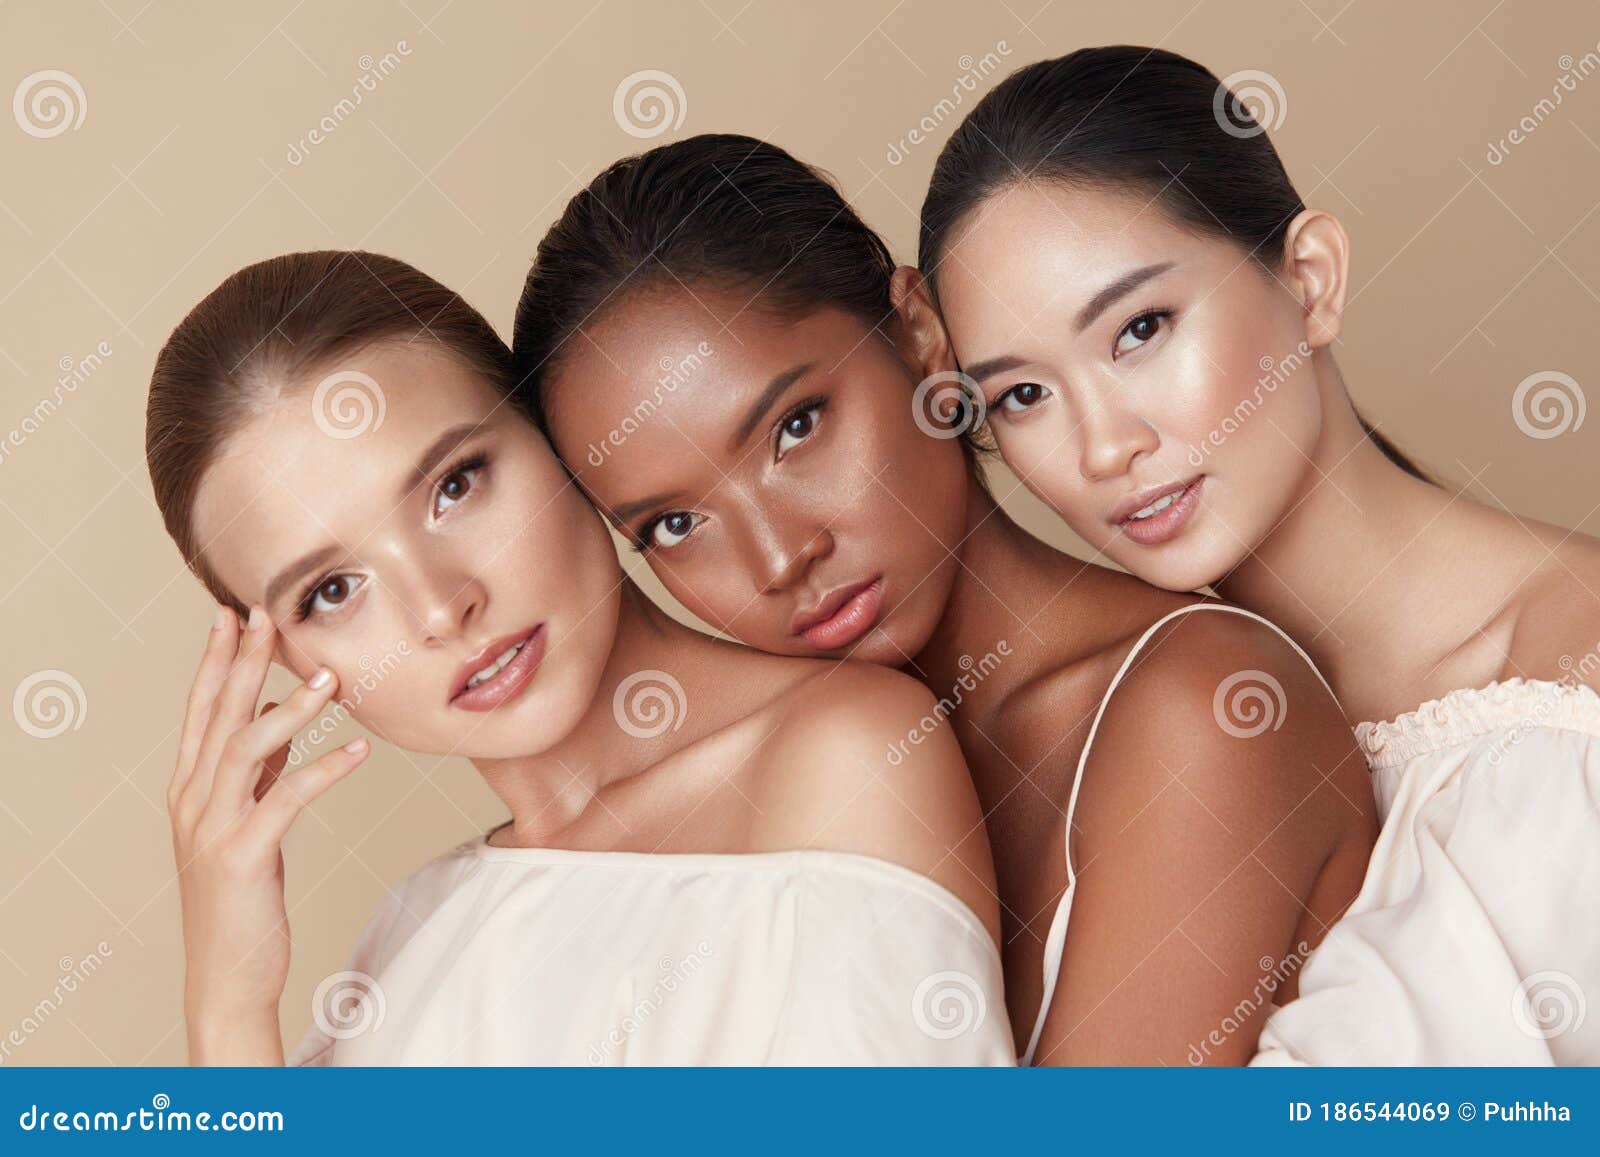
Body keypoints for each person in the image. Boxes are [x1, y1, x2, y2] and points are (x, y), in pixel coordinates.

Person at [515, 134, 1378, 1065]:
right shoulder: (749, 819)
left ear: (919, 334)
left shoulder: (1204, 705)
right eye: (674, 526)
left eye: (795, 428)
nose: (779, 557)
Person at [146, 250, 1011, 1066]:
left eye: (455, 483)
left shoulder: (840, 755)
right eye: (332, 590)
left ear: (557, 443)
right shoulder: (408, 938)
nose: (445, 607)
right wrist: (226, 1004)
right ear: (285, 657)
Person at [916, 45, 1600, 1063]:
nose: (1103, 446)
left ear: (1310, 278)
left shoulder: (1569, 700)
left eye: (1140, 327)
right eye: (1022, 394)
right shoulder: (1124, 741)